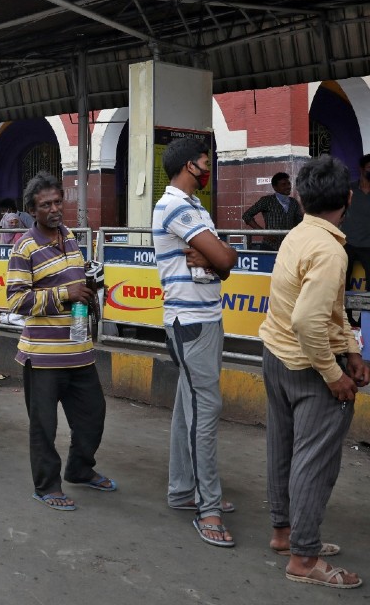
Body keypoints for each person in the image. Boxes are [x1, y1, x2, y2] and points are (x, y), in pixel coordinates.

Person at [259, 156, 367, 589]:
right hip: (307, 364)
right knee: (314, 461)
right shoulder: (329, 249)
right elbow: (309, 320)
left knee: (283, 448)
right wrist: (334, 373)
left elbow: (328, 310)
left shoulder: (300, 235)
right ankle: (304, 558)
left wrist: (351, 350)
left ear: (300, 197)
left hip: (276, 356)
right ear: (348, 198)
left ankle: (285, 534)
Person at [6, 172, 113, 510]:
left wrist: (89, 287)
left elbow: (76, 280)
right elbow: (16, 301)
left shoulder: (70, 237)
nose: (54, 209)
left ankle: (80, 470)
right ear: (32, 210)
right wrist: (64, 293)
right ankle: (47, 486)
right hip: (43, 356)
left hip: (80, 352)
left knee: (93, 415)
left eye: (57, 202)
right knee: (44, 426)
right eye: (45, 205)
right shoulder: (24, 247)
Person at [153, 137, 238, 548]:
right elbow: (224, 260)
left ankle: (183, 489)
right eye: (206, 162)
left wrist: (218, 255)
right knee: (206, 408)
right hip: (190, 321)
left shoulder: (196, 208)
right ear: (190, 165)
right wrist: (218, 256)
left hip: (207, 317)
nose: (209, 168)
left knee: (191, 405)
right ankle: (208, 507)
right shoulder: (175, 206)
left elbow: (227, 257)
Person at [242, 172, 303, 250]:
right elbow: (246, 215)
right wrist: (263, 233)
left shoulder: (293, 202)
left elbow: (299, 222)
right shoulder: (267, 201)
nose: (288, 186)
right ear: (275, 187)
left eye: (289, 183)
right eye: (283, 184)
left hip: (289, 247)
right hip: (270, 247)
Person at [341, 154, 370, 291]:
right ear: (361, 169)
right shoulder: (348, 189)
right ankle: (346, 313)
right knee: (343, 285)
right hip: (348, 243)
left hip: (369, 245)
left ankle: (366, 314)